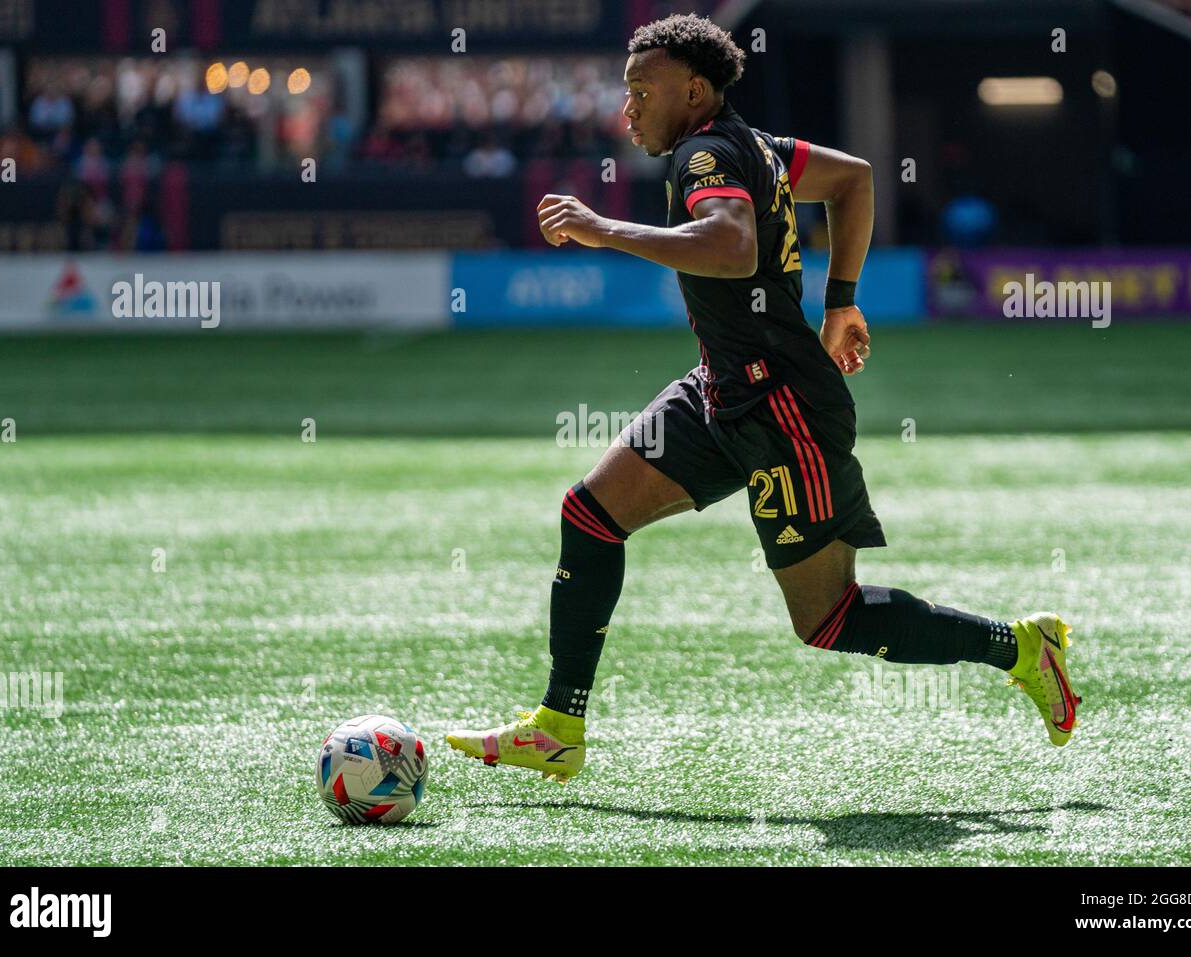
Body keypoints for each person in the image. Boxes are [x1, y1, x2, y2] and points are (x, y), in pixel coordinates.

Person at [447, 14, 1080, 783]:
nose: (629, 110)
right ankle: (557, 724)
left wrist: (602, 227)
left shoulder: (703, 152)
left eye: (641, 91)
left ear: (693, 89)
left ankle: (1018, 647)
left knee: (828, 618)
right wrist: (840, 302)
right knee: (590, 514)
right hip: (722, 390)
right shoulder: (759, 148)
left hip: (784, 412)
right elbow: (854, 179)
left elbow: (732, 243)